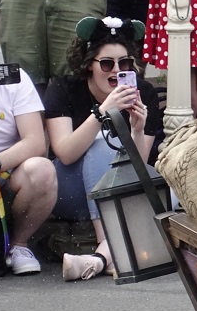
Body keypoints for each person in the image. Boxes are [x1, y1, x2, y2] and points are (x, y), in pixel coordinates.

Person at [45, 17, 163, 281]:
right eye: (107, 64)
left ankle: (100, 257)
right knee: (100, 147)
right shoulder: (63, 88)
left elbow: (138, 168)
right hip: (70, 190)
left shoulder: (143, 92)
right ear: (89, 65)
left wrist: (136, 128)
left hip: (123, 191)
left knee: (168, 194)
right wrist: (102, 112)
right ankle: (114, 248)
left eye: (125, 64)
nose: (116, 71)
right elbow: (65, 152)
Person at [0, 9, 57, 275]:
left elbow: (36, 142)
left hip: (2, 172)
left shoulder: (14, 79)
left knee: (41, 169)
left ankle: (17, 246)